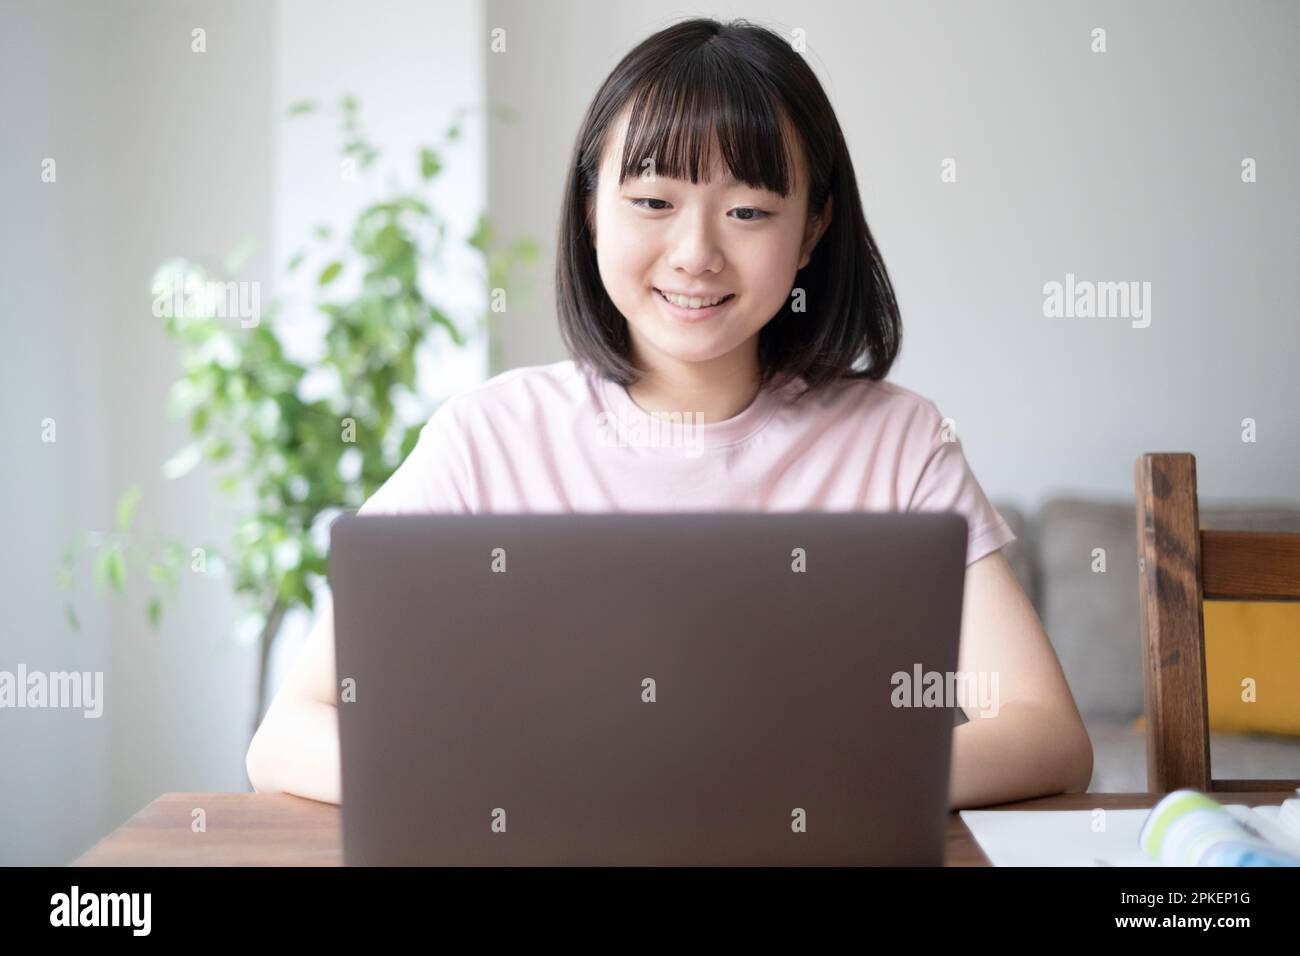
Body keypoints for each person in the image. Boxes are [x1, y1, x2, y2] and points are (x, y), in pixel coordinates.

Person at [246, 17, 1092, 809]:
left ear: (811, 233)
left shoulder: (899, 444)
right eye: (653, 202)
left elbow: (1046, 732)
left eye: (749, 212)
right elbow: (288, 734)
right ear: (589, 207)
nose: (696, 254)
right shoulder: (485, 441)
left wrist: (798, 783)